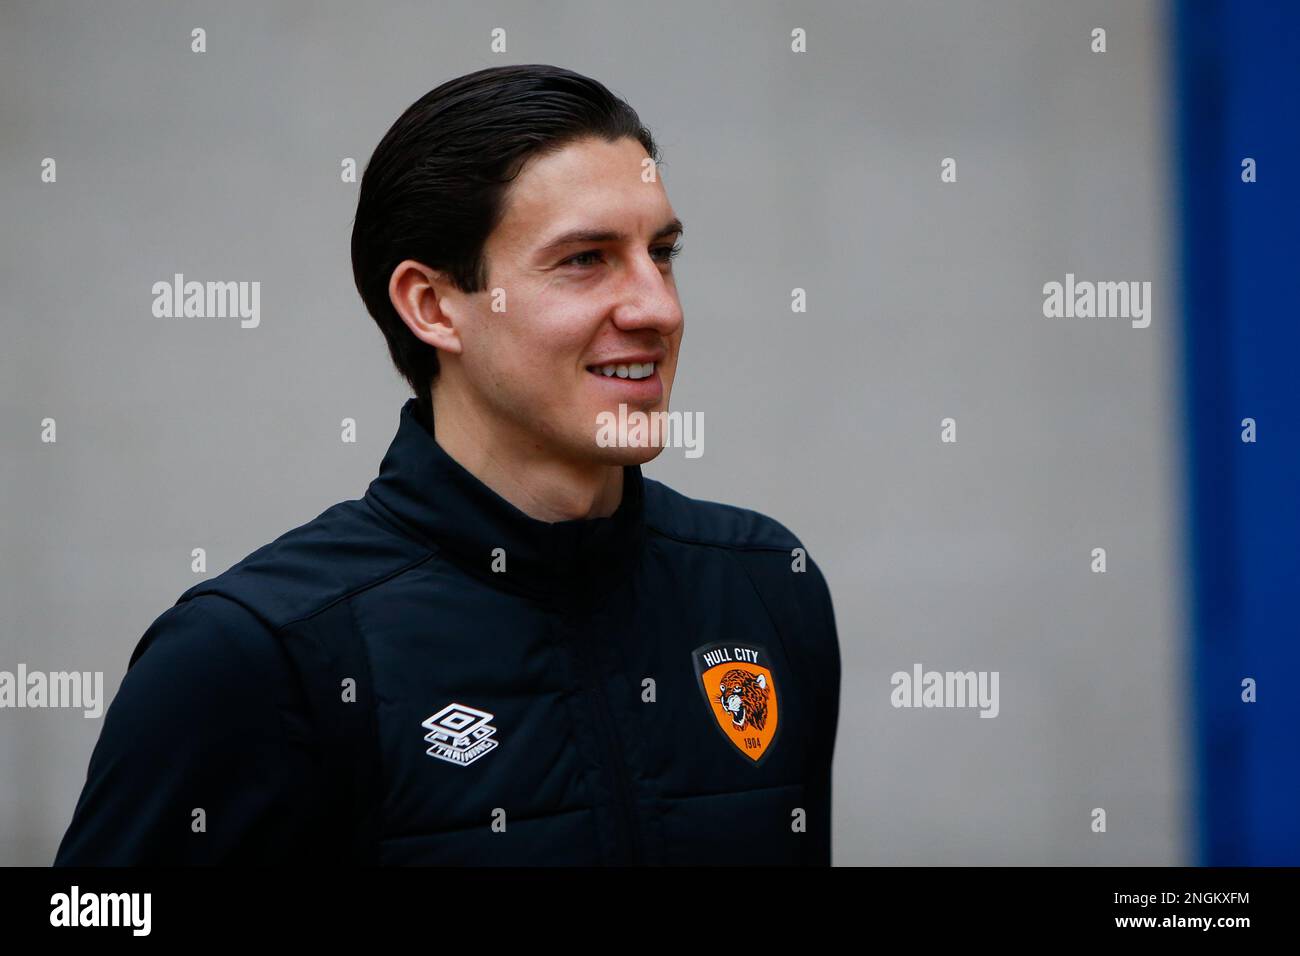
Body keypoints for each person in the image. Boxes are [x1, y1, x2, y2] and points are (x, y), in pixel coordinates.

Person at [54, 64, 840, 865]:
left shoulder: (764, 586)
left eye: (661, 253)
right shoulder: (253, 654)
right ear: (432, 307)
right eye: (585, 260)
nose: (658, 308)